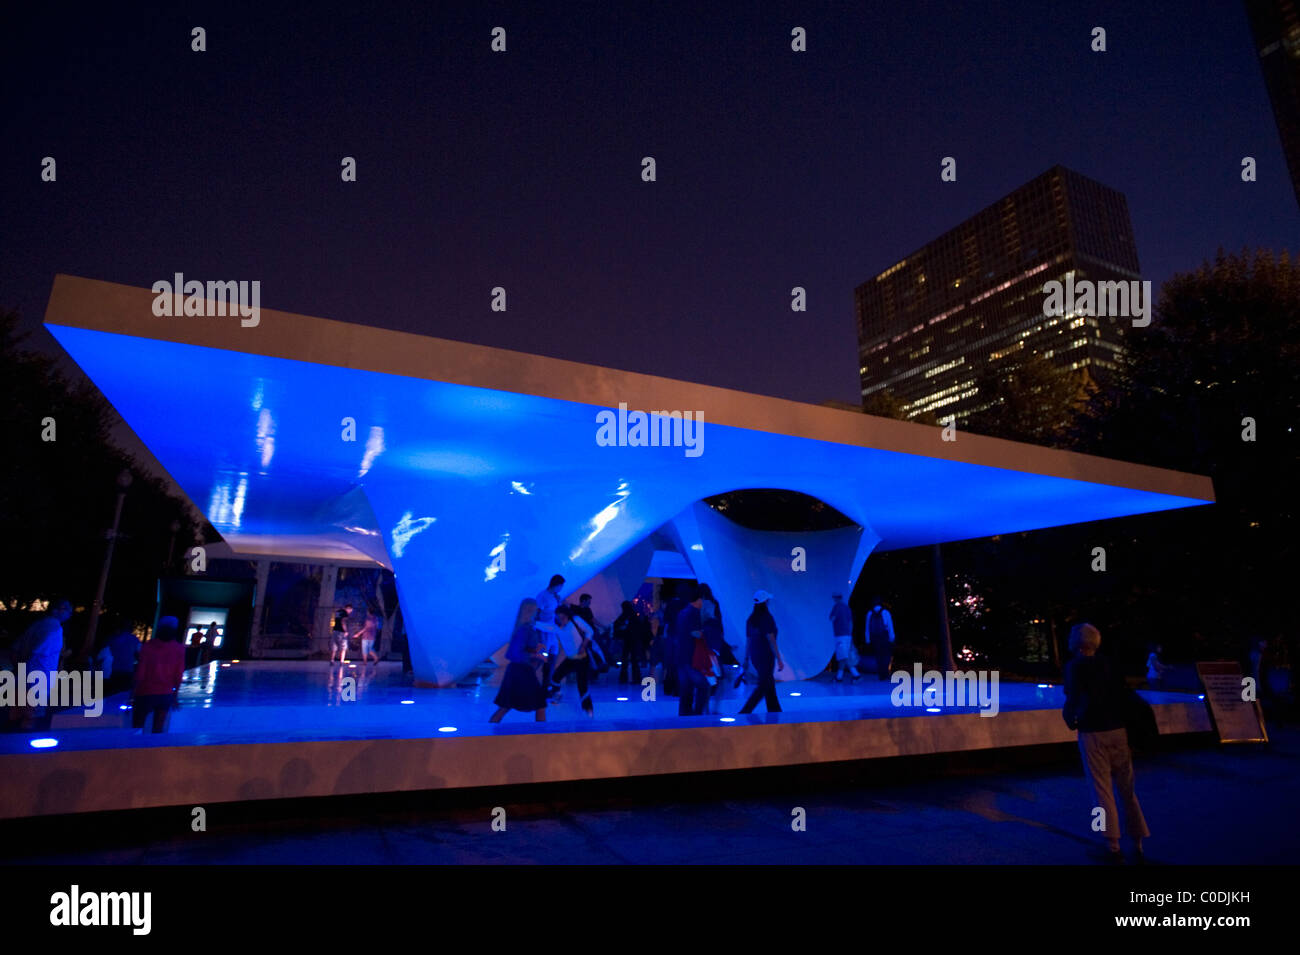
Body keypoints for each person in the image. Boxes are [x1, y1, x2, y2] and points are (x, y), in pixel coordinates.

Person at [1063, 622, 1150, 864]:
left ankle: (1110, 844)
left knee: (1100, 788)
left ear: (1077, 642)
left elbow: (1072, 699)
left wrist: (1070, 719)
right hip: (1119, 729)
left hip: (1093, 731)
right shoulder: (1109, 663)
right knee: (1127, 788)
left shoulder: (1075, 667)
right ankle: (1138, 840)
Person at [14, 599, 73, 731]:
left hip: (24, 675)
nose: (70, 612)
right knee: (31, 718)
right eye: (67, 609)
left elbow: (17, 648)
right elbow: (38, 651)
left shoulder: (36, 625)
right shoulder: (54, 628)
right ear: (55, 610)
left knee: (18, 715)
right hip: (40, 677)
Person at [490, 598, 549, 723]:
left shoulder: (523, 627)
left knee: (506, 706)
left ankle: (489, 733)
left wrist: (535, 650)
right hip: (521, 672)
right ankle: (542, 736)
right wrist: (537, 655)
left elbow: (519, 650)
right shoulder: (525, 628)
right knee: (539, 705)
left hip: (518, 671)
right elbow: (517, 654)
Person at [132, 617, 187, 734]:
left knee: (137, 727)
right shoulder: (179, 649)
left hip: (144, 692)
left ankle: (133, 750)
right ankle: (154, 750)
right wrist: (175, 696)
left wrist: (132, 695)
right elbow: (178, 675)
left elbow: (140, 672)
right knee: (158, 729)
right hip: (165, 693)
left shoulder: (147, 647)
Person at [740, 591, 784, 714]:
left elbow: (748, 640)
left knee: (768, 682)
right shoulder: (766, 618)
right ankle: (745, 711)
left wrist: (746, 658)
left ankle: (775, 710)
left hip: (755, 656)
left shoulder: (751, 619)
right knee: (764, 684)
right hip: (766, 656)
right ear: (765, 602)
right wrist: (779, 659)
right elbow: (771, 640)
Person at [548, 606, 595, 715]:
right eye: (559, 618)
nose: (561, 620)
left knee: (582, 685)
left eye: (563, 617)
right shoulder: (556, 627)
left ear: (567, 615)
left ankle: (588, 709)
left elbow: (590, 631)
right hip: (570, 659)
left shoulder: (575, 620)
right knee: (555, 677)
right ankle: (557, 695)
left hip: (582, 658)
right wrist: (533, 623)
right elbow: (546, 627)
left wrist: (583, 645)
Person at [675, 587, 711, 716]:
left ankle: (685, 717)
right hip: (691, 656)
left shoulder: (682, 613)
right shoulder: (694, 613)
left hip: (680, 655)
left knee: (686, 689)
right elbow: (695, 633)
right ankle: (696, 715)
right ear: (699, 599)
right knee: (703, 686)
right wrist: (707, 633)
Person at [613, 601, 647, 685]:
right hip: (634, 640)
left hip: (627, 639)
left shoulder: (625, 615)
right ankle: (636, 678)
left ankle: (624, 678)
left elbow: (617, 624)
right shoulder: (634, 615)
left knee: (625, 659)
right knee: (634, 659)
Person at [106, 619, 141, 697]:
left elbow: (107, 650)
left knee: (112, 693)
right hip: (127, 670)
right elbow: (139, 655)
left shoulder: (114, 638)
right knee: (122, 695)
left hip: (114, 669)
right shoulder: (135, 640)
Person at [830, 592, 860, 682]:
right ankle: (839, 677)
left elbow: (832, 618)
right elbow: (851, 622)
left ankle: (856, 675)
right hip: (847, 635)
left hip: (840, 635)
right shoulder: (847, 608)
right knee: (842, 656)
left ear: (835, 598)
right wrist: (850, 635)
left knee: (843, 656)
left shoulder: (837, 607)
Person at [866, 597, 895, 681]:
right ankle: (885, 673)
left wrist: (867, 639)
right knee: (886, 655)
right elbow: (890, 626)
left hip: (875, 637)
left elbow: (867, 627)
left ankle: (880, 674)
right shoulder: (886, 612)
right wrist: (892, 637)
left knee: (878, 656)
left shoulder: (869, 613)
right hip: (884, 636)